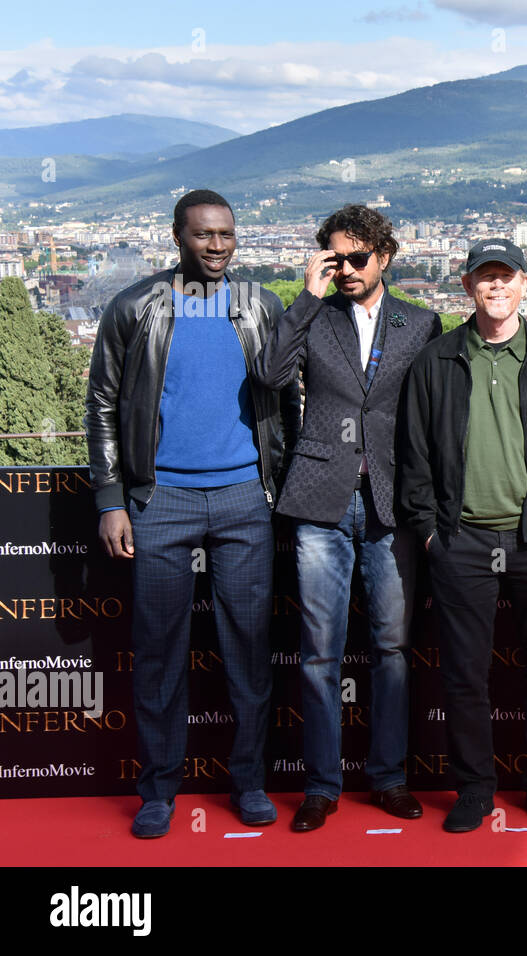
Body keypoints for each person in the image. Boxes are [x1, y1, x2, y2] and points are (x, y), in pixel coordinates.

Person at [85, 189, 296, 838]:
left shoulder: (259, 306)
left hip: (244, 500)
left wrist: (282, 488)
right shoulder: (135, 307)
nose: (216, 246)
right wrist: (111, 499)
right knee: (157, 654)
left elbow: (287, 404)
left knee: (250, 651)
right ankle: (158, 790)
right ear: (177, 237)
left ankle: (252, 781)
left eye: (227, 235)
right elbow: (101, 406)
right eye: (204, 235)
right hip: (161, 501)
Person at [251, 204, 441, 832]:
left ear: (385, 256)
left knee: (390, 649)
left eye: (359, 258)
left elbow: (437, 414)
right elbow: (270, 373)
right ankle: (320, 787)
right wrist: (306, 295)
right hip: (319, 501)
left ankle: (389, 778)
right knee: (317, 654)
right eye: (337, 259)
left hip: (391, 505)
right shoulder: (313, 314)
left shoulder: (421, 323)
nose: (349, 270)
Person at [397, 238, 527, 832]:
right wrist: (431, 532)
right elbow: (415, 455)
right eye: (485, 278)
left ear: (525, 283)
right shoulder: (437, 362)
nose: (497, 287)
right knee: (462, 675)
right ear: (467, 288)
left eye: (506, 277)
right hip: (462, 541)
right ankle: (475, 791)